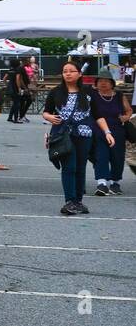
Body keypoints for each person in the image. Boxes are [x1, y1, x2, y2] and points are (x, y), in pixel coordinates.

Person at [43, 61, 115, 215]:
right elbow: (46, 111)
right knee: (69, 167)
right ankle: (69, 201)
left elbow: (97, 115)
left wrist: (107, 132)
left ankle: (78, 201)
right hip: (62, 135)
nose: (67, 73)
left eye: (71, 71)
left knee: (80, 168)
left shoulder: (89, 93)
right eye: (64, 71)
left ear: (79, 74)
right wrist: (49, 117)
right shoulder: (55, 92)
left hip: (84, 135)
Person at [90, 75, 132, 196]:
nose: (103, 83)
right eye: (100, 81)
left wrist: (125, 117)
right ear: (96, 84)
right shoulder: (93, 96)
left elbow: (129, 110)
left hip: (117, 130)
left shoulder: (119, 96)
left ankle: (115, 183)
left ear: (112, 83)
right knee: (100, 155)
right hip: (98, 130)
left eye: (106, 81)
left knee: (117, 157)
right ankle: (101, 183)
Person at [7, 59, 30, 123]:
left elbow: (4, 78)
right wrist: (19, 87)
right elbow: (18, 79)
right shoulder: (17, 70)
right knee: (17, 104)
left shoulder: (10, 70)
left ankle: (10, 117)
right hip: (15, 88)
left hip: (10, 87)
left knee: (15, 103)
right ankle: (16, 119)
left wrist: (7, 84)